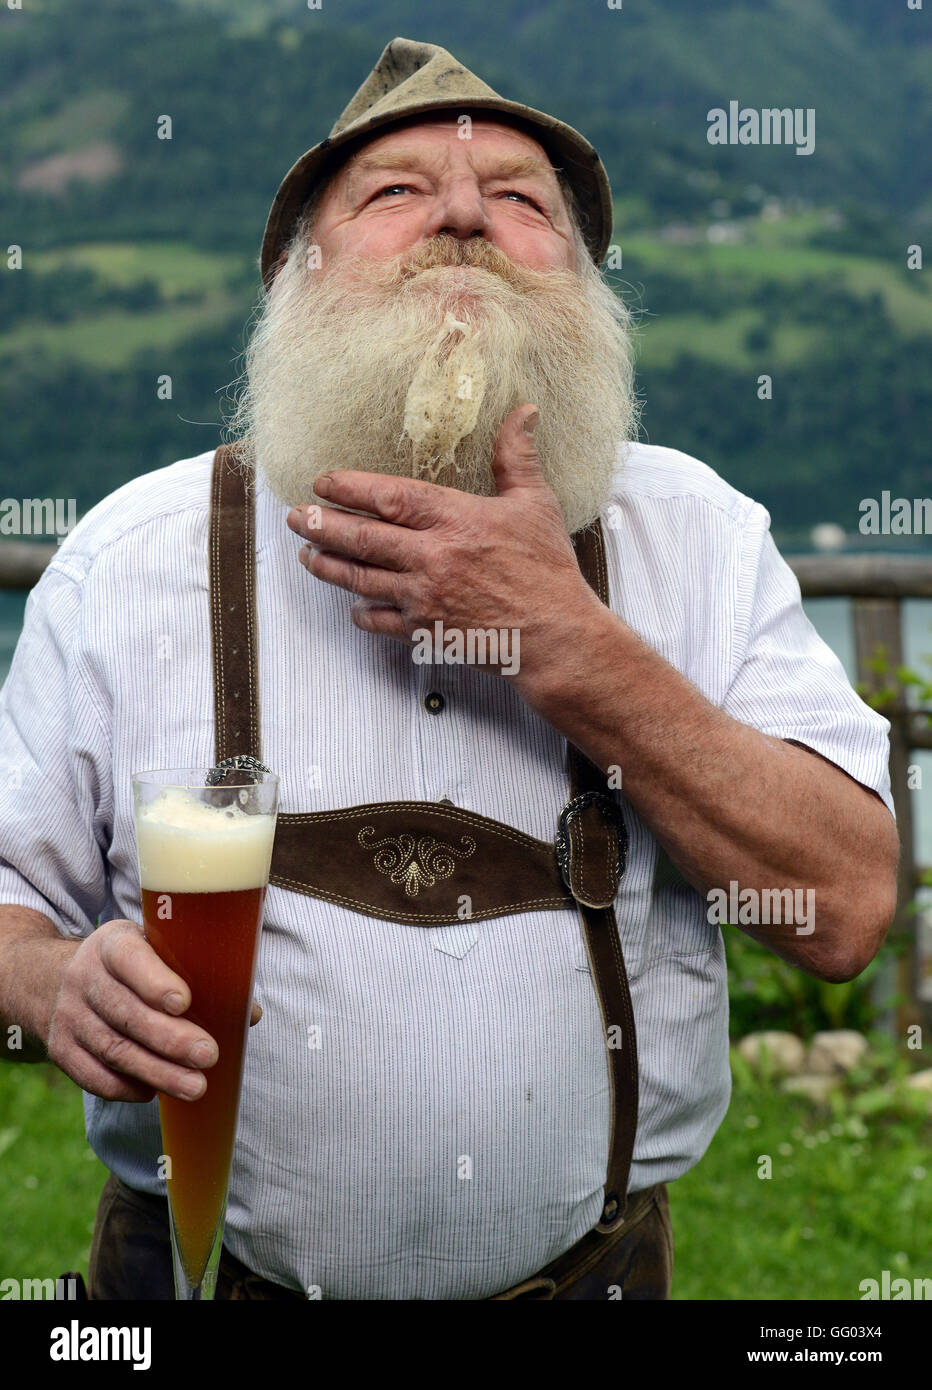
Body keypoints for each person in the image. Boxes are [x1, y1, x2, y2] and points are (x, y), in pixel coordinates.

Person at [0, 38, 898, 1301]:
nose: (466, 212)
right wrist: (48, 982)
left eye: (523, 200)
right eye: (394, 192)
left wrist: (570, 644)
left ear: (586, 292)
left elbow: (846, 906)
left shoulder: (694, 538)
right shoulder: (127, 560)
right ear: (295, 279)